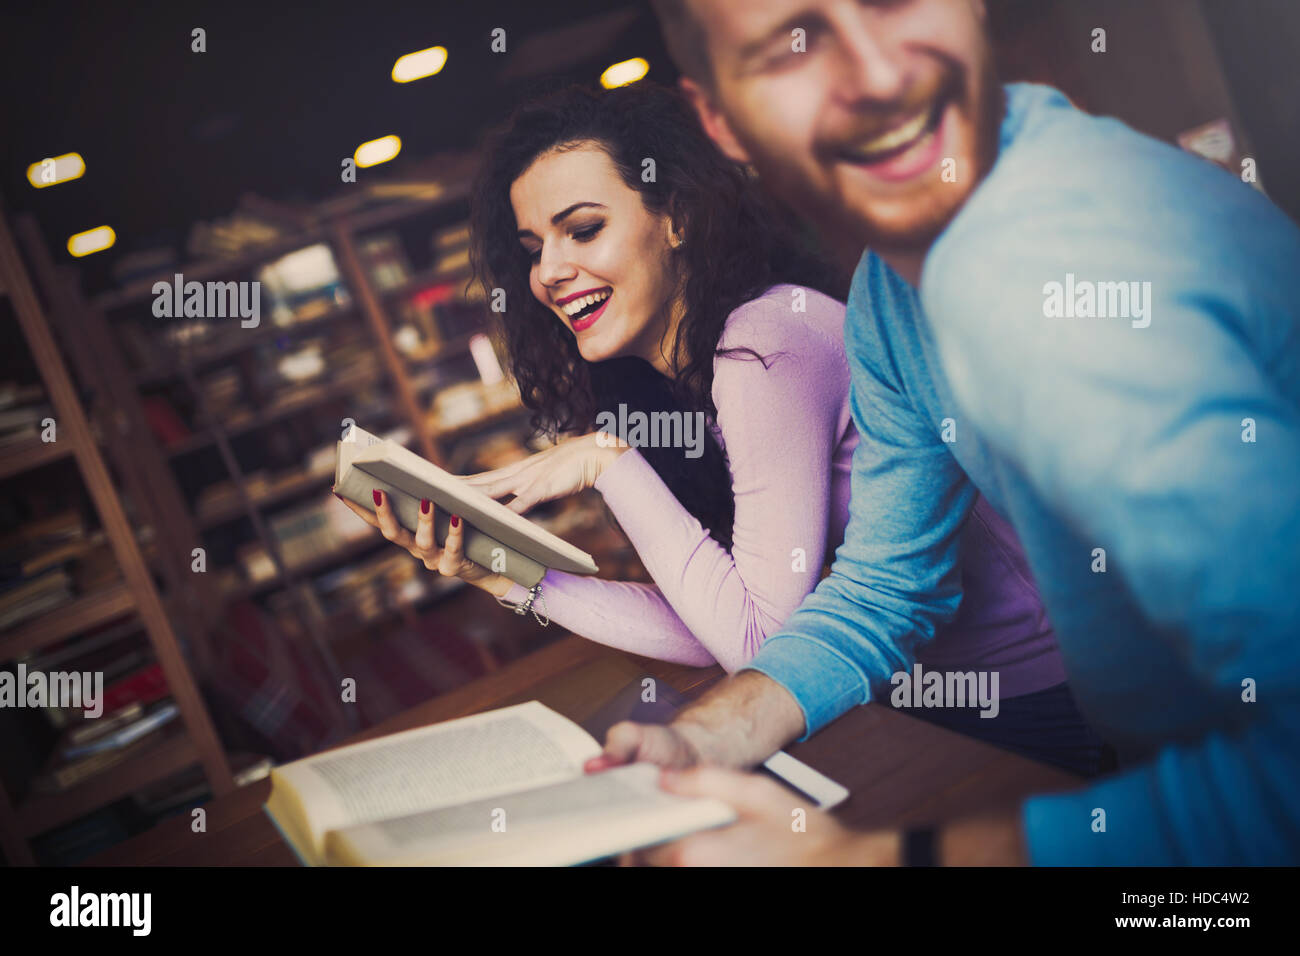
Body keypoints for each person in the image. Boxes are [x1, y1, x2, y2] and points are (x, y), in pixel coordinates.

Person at [597, 0, 1300, 865]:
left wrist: (856, 862)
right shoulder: (889, 296)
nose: (881, 76)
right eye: (791, 46)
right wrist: (704, 736)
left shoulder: (1049, 263)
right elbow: (887, 584)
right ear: (720, 120)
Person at [336, 80, 1103, 773]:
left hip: (1041, 709)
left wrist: (609, 463)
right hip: (917, 709)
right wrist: (512, 576)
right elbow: (725, 623)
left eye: (582, 229)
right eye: (535, 249)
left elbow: (756, 651)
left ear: (674, 219)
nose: (548, 272)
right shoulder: (671, 384)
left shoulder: (764, 343)